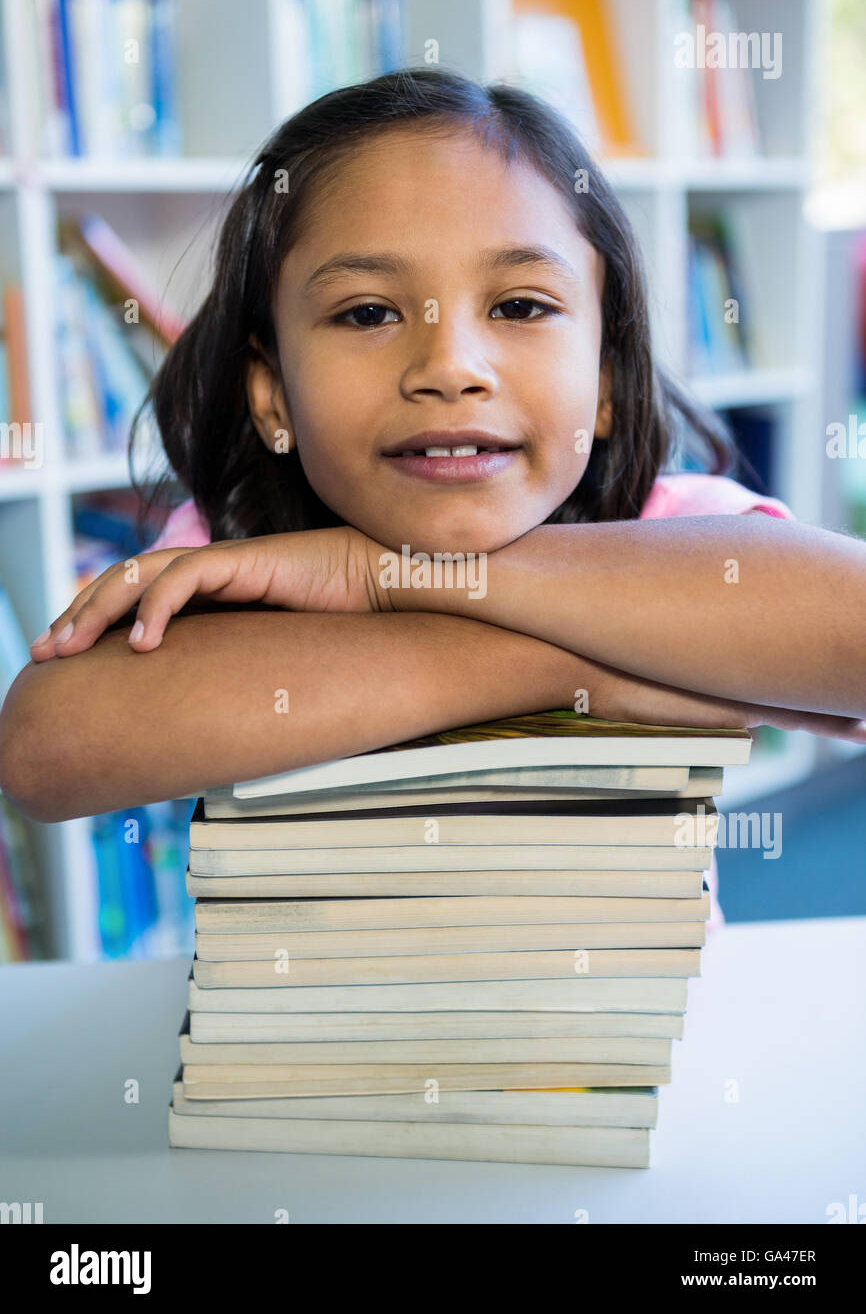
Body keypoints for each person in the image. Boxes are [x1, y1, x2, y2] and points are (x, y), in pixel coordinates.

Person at [4, 69, 865, 936]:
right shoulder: (236, 552)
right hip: (321, 1064)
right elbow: (45, 752)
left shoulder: (670, 527)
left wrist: (378, 576)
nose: (451, 366)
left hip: (630, 1059)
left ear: (604, 380)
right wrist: (586, 675)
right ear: (271, 397)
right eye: (370, 313)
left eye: (521, 305)